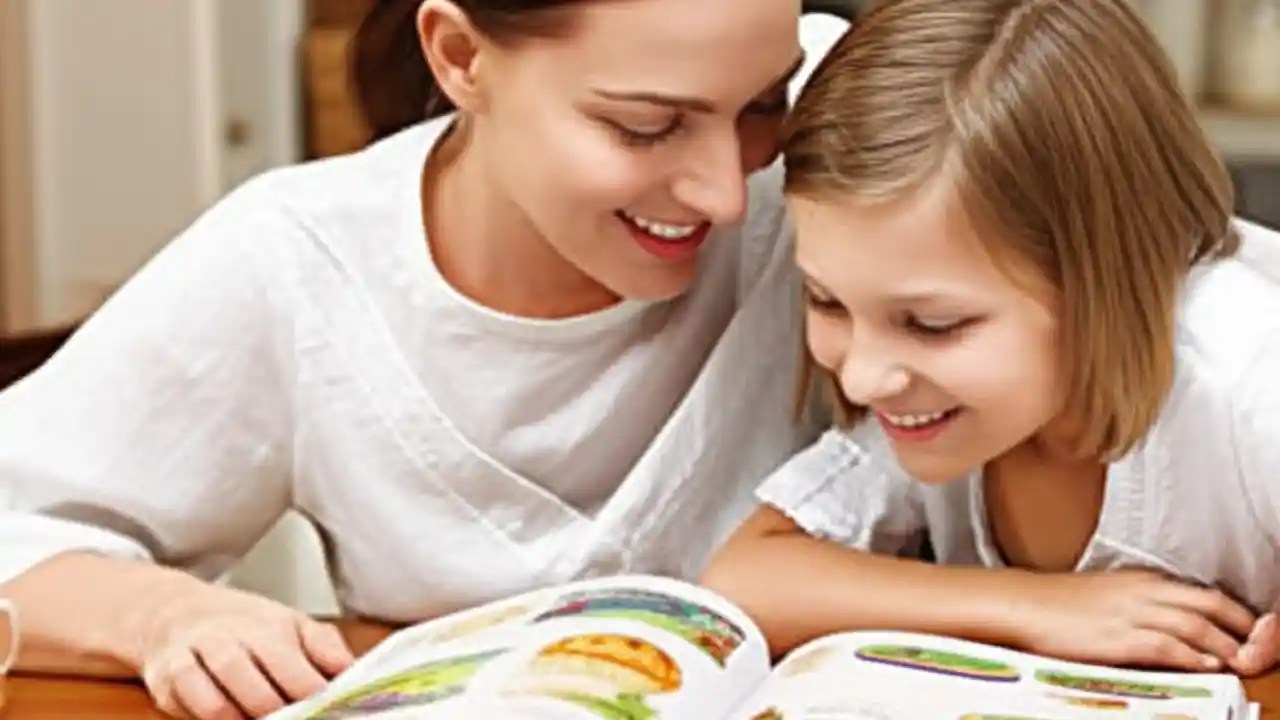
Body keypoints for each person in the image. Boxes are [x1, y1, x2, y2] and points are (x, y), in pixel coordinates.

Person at [0, 0, 835, 717]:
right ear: (461, 56)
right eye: (645, 127)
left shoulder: (845, 148)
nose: (727, 193)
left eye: (766, 104)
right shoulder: (296, 260)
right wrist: (162, 617)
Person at [703, 0, 1280, 679]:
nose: (861, 379)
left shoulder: (1248, 373)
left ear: (1104, 271)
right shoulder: (935, 403)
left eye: (934, 325)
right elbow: (746, 575)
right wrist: (1038, 607)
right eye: (827, 301)